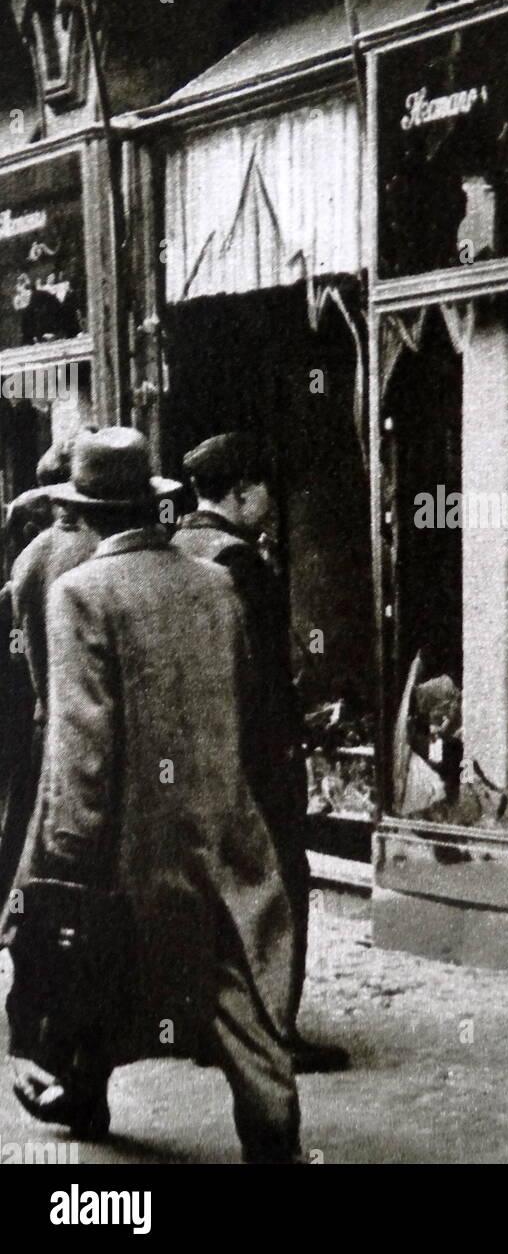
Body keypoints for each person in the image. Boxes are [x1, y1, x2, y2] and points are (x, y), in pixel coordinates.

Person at [7, 428, 303, 1163]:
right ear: (152, 504)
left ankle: (78, 1086)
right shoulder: (217, 584)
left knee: (97, 960)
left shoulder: (81, 594)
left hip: (128, 838)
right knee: (231, 977)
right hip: (222, 820)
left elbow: (81, 751)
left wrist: (63, 859)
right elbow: (248, 703)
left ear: (84, 512)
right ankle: (273, 1129)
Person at [174, 432, 347, 1073]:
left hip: (189, 756)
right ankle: (275, 1029)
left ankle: (208, 1026)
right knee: (278, 888)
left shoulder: (174, 550)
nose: (274, 502)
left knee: (208, 891)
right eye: (266, 489)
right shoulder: (242, 565)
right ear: (243, 492)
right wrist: (296, 743)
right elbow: (270, 679)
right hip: (254, 755)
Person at [0, 436, 98, 946]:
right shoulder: (92, 551)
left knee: (31, 846)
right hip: (86, 727)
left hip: (44, 722)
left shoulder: (29, 558)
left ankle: (29, 956)